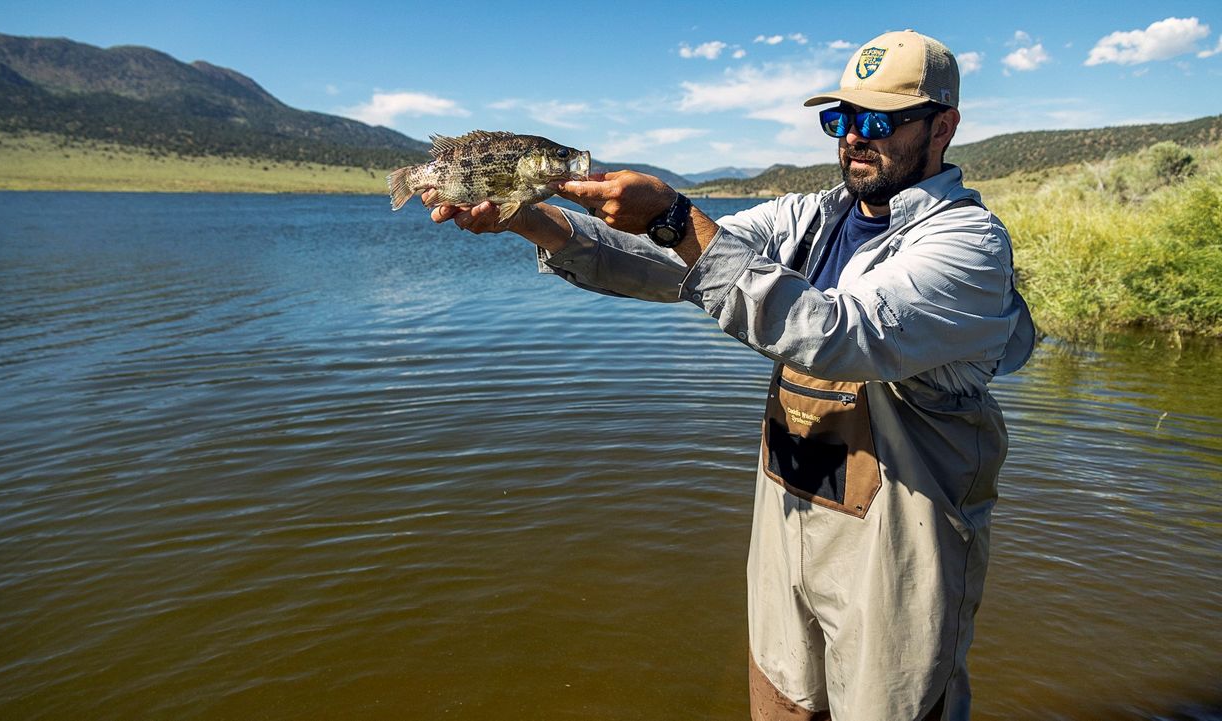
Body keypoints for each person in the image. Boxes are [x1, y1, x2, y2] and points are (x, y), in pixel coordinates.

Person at [423, 29, 1034, 721]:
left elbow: (834, 333)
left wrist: (679, 218)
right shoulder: (811, 218)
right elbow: (673, 263)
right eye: (841, 119)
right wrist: (532, 221)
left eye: (880, 121)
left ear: (944, 126)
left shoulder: (968, 245)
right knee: (778, 703)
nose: (855, 139)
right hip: (788, 535)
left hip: (896, 565)